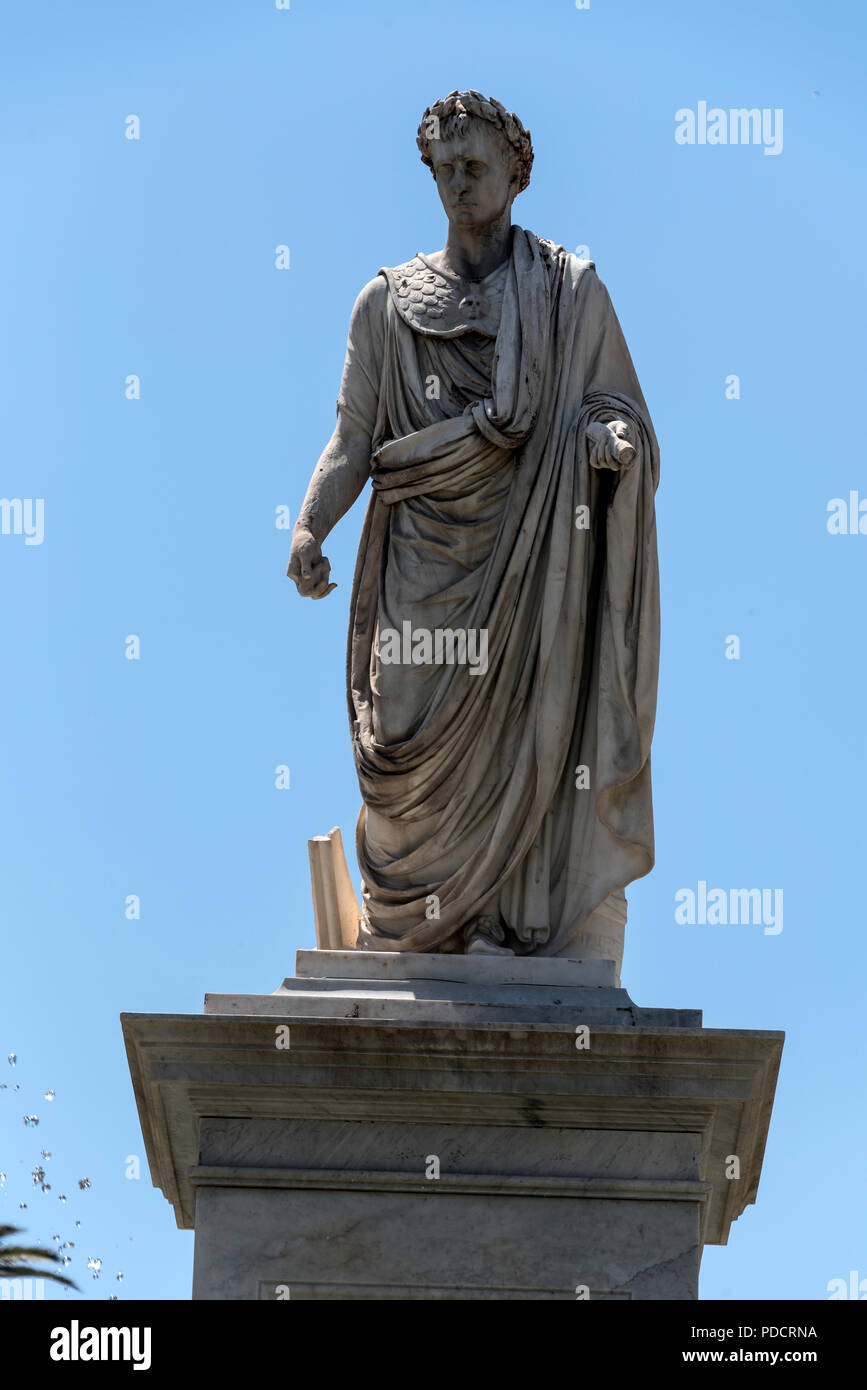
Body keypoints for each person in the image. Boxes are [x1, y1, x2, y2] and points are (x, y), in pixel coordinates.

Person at [289, 91, 659, 961]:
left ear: (514, 174)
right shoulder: (384, 303)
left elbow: (617, 407)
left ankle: (498, 923)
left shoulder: (569, 291)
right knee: (401, 748)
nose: (457, 183)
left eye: (475, 167)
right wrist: (310, 528)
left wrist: (607, 437)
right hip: (418, 555)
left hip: (536, 561)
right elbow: (352, 437)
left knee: (528, 728)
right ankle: (410, 930)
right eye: (443, 169)